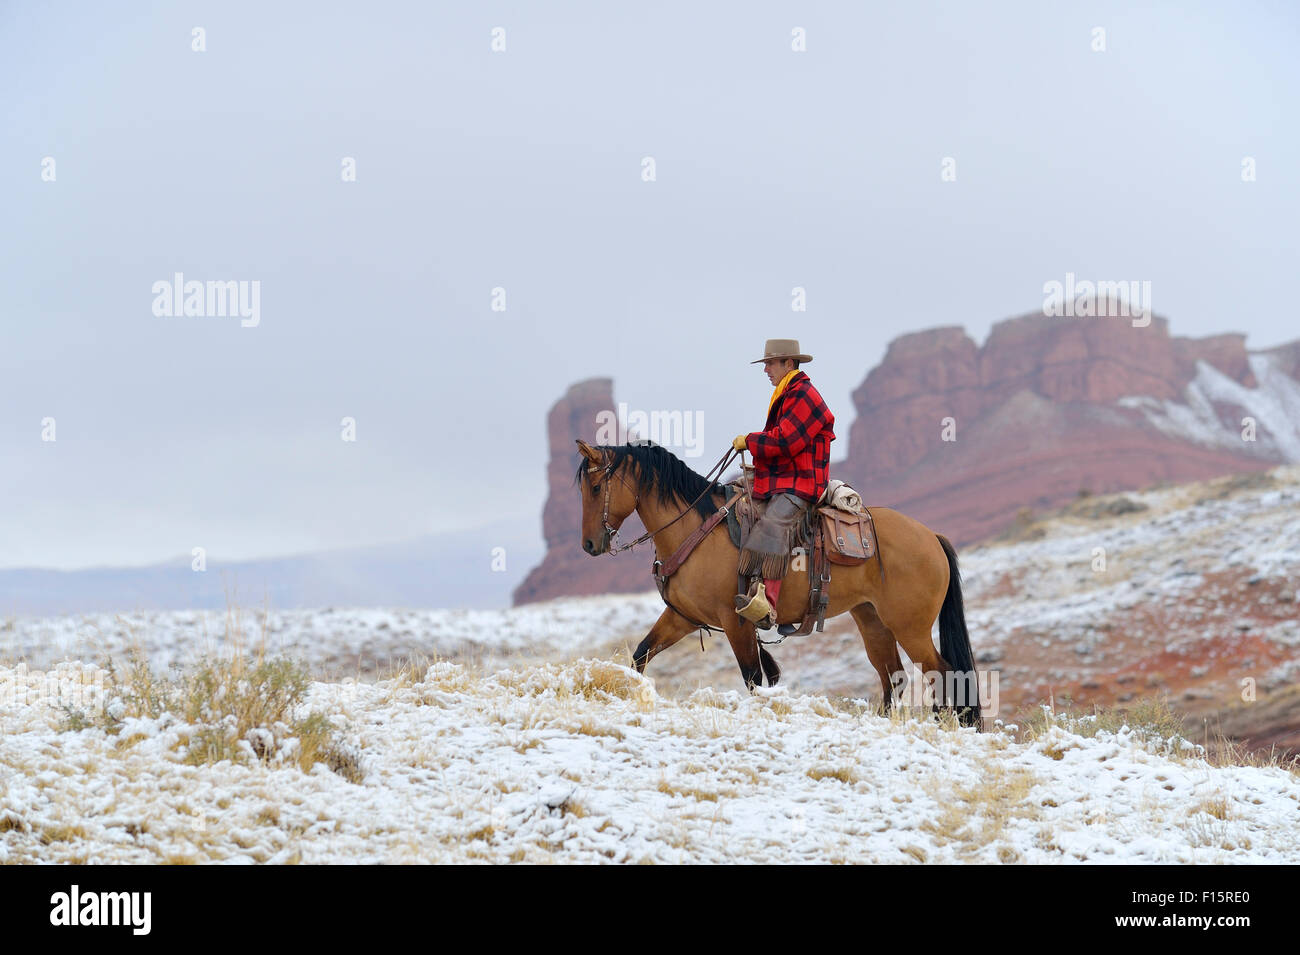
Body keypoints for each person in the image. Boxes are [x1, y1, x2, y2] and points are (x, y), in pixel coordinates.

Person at [731, 338, 835, 634]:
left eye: (770, 363)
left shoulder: (803, 395)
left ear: (788, 364)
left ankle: (768, 602)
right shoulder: (787, 393)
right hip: (785, 477)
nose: (765, 369)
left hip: (802, 482)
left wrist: (750, 441)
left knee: (774, 522)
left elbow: (785, 441)